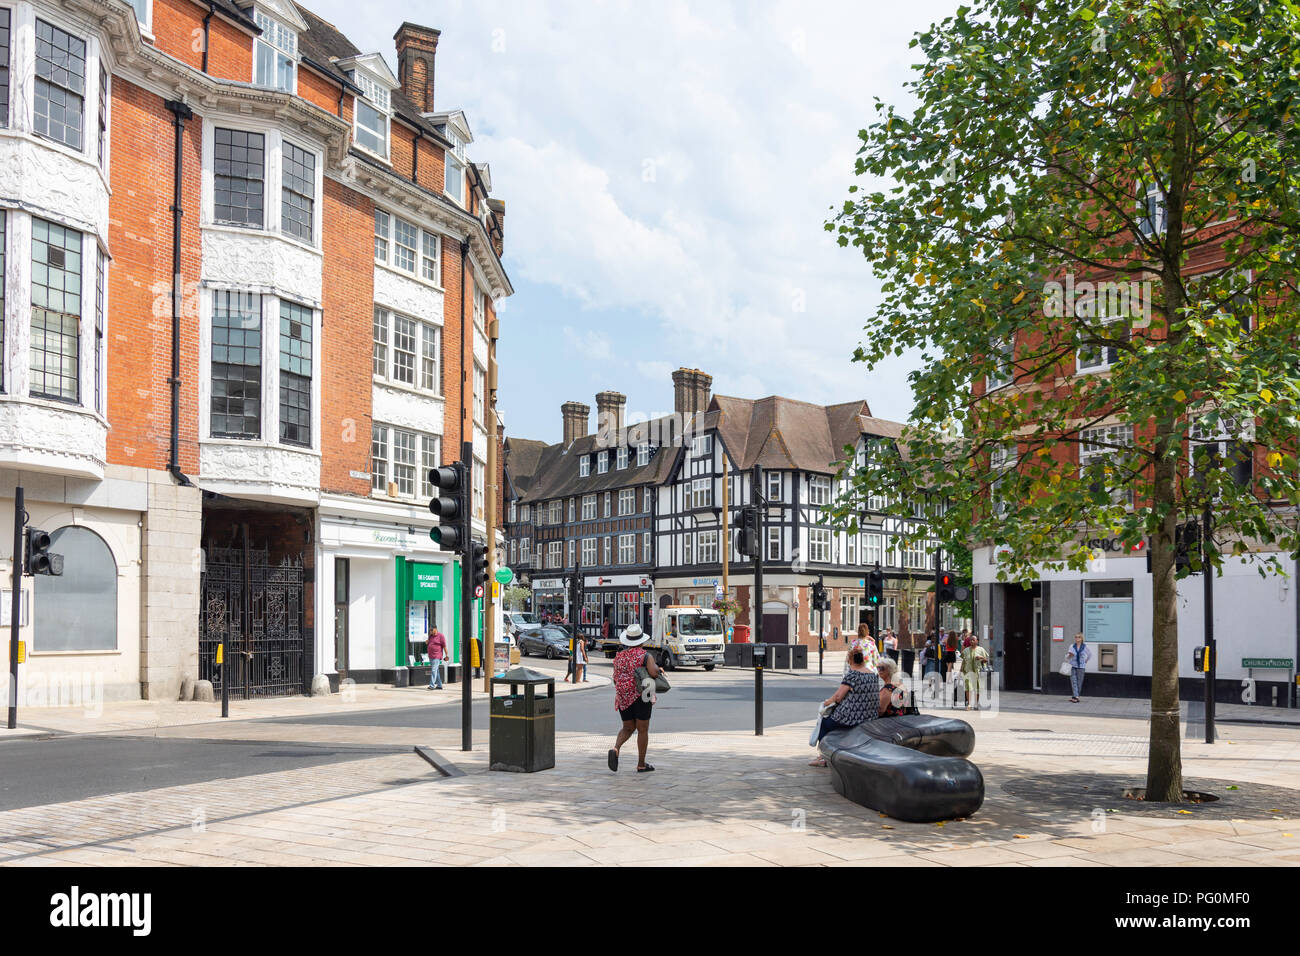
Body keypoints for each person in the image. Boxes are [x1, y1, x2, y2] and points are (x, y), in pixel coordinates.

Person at [810, 644, 881, 765]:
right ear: (863, 660)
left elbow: (838, 697)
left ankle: (823, 757)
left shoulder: (853, 675)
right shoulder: (873, 675)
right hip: (870, 717)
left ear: (851, 660)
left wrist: (826, 702)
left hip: (851, 718)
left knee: (825, 723)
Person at [609, 624, 661, 773]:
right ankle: (641, 763)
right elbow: (653, 673)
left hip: (623, 696)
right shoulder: (645, 655)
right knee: (642, 729)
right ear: (641, 641)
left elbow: (615, 678)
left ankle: (616, 748)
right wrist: (657, 668)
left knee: (627, 727)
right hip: (641, 695)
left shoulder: (619, 656)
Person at [961, 637, 990, 709]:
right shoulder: (965, 650)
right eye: (971, 640)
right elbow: (963, 661)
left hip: (978, 671)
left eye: (973, 640)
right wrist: (961, 671)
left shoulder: (981, 649)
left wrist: (981, 658)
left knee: (977, 688)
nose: (971, 641)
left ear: (977, 641)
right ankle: (969, 704)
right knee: (968, 687)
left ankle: (976, 704)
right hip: (968, 671)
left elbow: (986, 660)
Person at [1067, 632, 1090, 702]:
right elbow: (1067, 656)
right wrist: (1069, 655)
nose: (1077, 638)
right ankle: (1076, 697)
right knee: (1073, 681)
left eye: (1079, 637)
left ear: (1081, 638)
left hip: (1081, 667)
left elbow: (1090, 654)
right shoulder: (1072, 646)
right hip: (1072, 666)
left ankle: (1075, 697)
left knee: (1079, 682)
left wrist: (1086, 661)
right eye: (1076, 637)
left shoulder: (1085, 646)